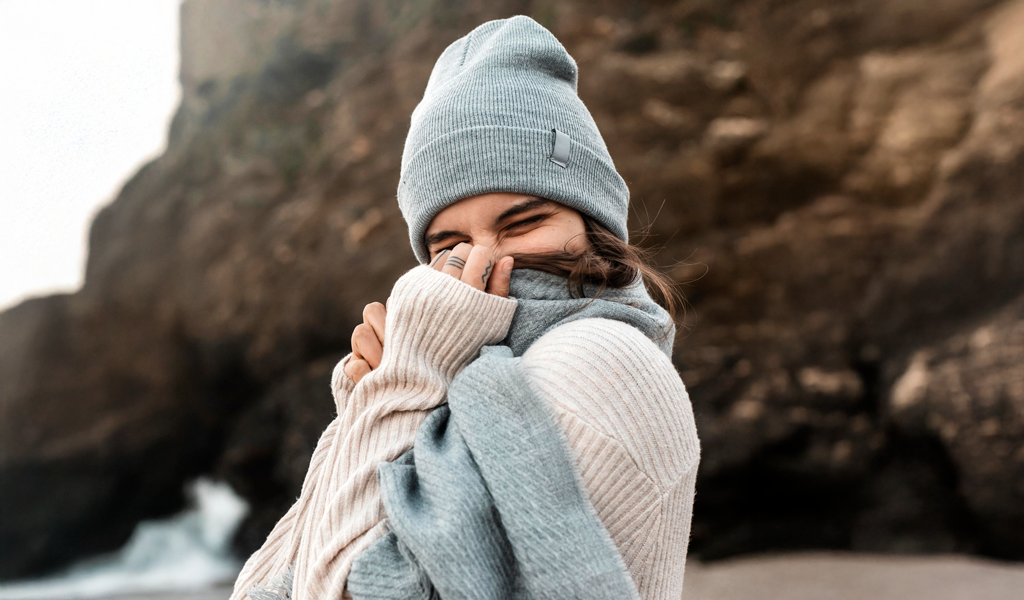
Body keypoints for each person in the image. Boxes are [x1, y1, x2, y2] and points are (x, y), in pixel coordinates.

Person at [230, 14, 700, 600]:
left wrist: (400, 385)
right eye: (448, 246)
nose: (485, 259)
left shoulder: (595, 362)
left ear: (593, 221)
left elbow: (340, 591)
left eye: (524, 221)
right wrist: (364, 406)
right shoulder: (468, 375)